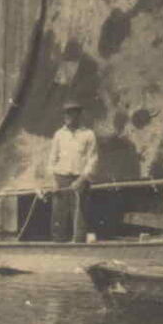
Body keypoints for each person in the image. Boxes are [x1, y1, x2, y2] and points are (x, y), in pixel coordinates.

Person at [48, 100, 97, 242]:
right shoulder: (59, 134)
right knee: (59, 216)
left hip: (80, 179)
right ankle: (58, 246)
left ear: (79, 115)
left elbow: (93, 160)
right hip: (61, 179)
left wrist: (82, 180)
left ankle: (79, 247)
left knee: (80, 216)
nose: (69, 117)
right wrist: (54, 182)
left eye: (72, 113)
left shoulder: (88, 134)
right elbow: (52, 159)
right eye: (67, 113)